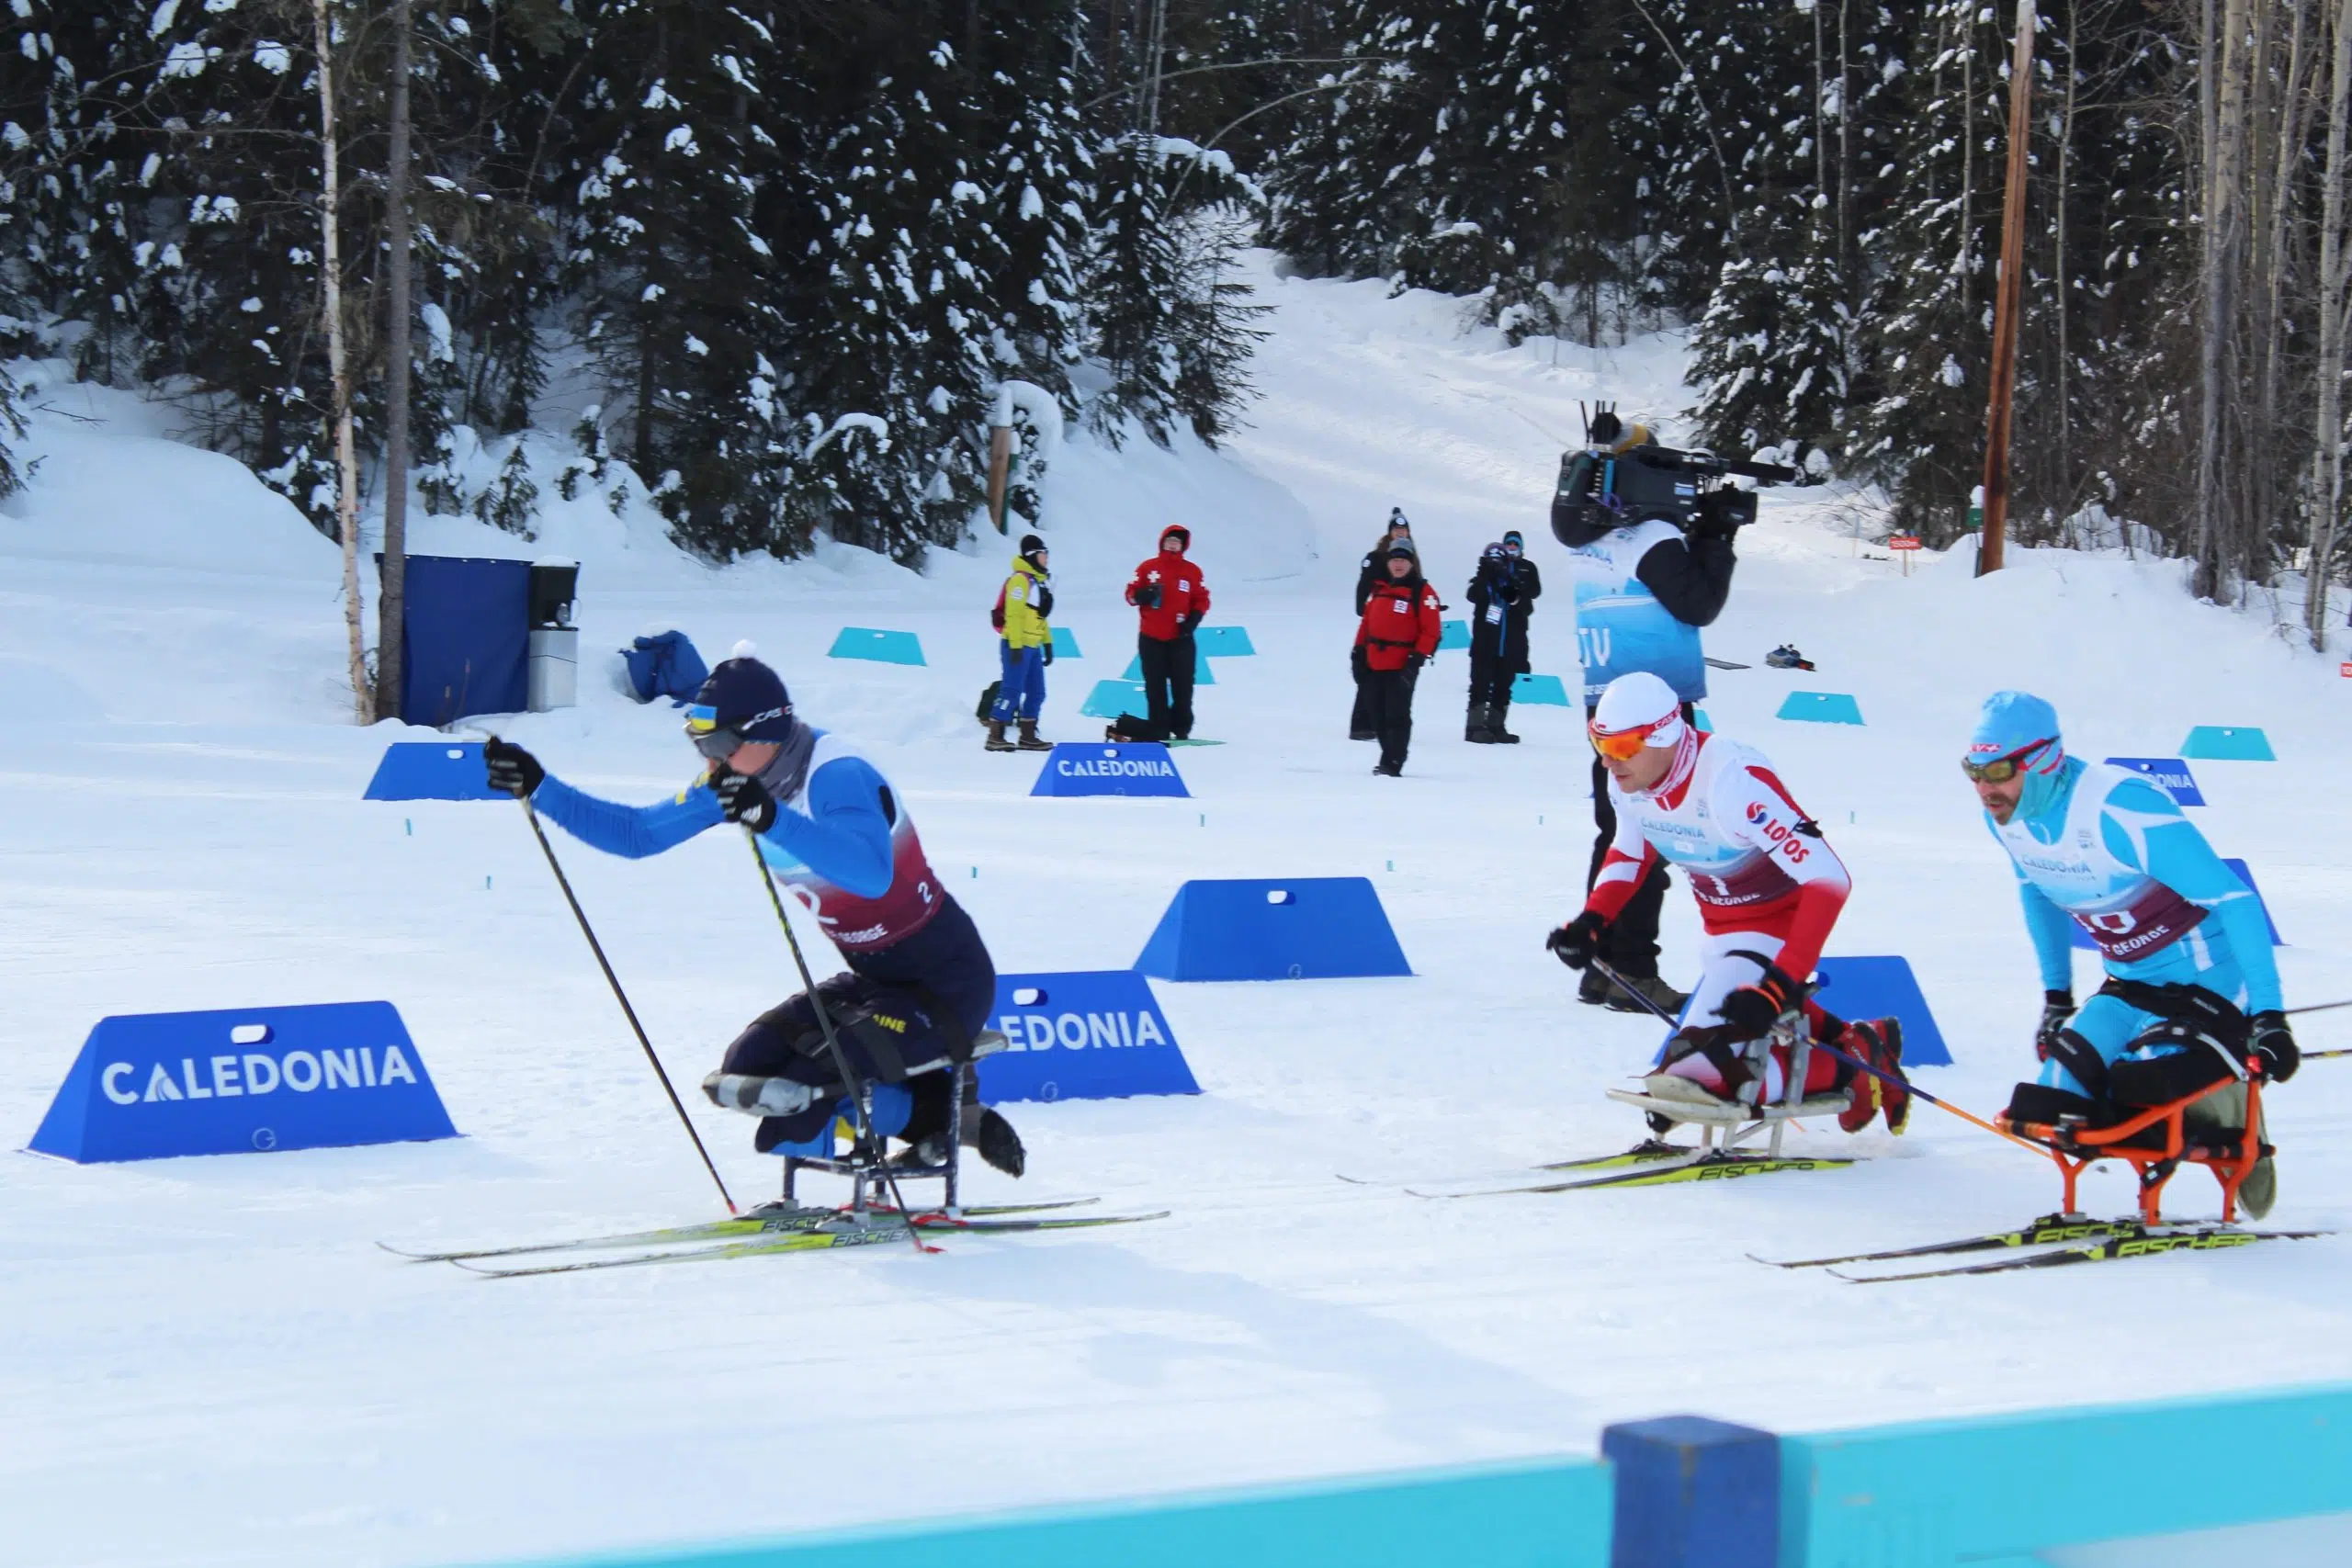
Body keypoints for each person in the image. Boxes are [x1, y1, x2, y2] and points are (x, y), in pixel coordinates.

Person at [481, 651, 1026, 1177]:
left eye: (718, 744)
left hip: (947, 983)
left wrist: (772, 819)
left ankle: (912, 1139)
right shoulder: (733, 782)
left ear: (765, 734)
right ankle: (942, 1119)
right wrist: (540, 787)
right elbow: (638, 834)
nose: (710, 761)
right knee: (751, 1064)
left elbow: (870, 872)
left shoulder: (837, 775)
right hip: (875, 979)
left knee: (810, 1079)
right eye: (699, 745)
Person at [1965, 691, 2294, 1215]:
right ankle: (2195, 1092)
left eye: (1998, 769)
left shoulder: (2121, 808)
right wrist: (2056, 998)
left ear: (2044, 758)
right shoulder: (2006, 816)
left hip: (2208, 983)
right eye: (1973, 770)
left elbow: (2235, 901)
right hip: (2130, 984)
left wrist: (2271, 1014)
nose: (1985, 787)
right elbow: (2036, 892)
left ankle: (2234, 1110)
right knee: (2051, 1098)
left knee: (2142, 1085)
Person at [1546, 672, 1907, 1134]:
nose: (1609, 760)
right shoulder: (1630, 778)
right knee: (1685, 1078)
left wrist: (1781, 983)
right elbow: (1631, 849)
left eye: (1621, 747)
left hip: (1779, 934)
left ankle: (1851, 1071)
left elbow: (1828, 879)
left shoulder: (1733, 783)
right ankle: (1854, 1042)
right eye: (1599, 743)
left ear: (1664, 735)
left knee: (1697, 1079)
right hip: (1724, 938)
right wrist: (1592, 920)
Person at [1553, 421, 1739, 1014]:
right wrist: (1718, 534)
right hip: (1655, 707)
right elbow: (1700, 603)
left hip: (1607, 703)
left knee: (1617, 832)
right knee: (1649, 837)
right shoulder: (1650, 537)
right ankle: (1632, 969)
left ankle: (1602, 963)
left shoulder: (1591, 537)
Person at [1353, 538, 1442, 776]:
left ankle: (1393, 762)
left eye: (1403, 560)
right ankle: (1387, 756)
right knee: (1377, 713)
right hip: (1375, 664)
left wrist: (1416, 659)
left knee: (1397, 714)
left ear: (1411, 563)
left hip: (1402, 665)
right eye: (1395, 560)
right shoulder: (1380, 589)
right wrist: (1358, 652)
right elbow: (1366, 624)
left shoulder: (1423, 592)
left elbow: (1431, 630)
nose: (1398, 564)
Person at [1124, 525, 1210, 740]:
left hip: (1181, 637)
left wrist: (1193, 620)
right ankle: (1159, 728)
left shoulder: (1192, 571)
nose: (1172, 544)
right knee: (1155, 686)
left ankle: (1181, 728)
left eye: (1177, 542)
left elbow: (1202, 598)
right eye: (1169, 540)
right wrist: (1141, 595)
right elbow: (1130, 594)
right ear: (1162, 542)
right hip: (1151, 637)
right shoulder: (1147, 568)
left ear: (1183, 546)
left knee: (1183, 685)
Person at [1464, 531, 1542, 743]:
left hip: (1508, 645)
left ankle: (1496, 725)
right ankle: (1474, 726)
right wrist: (1485, 575)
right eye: (1492, 561)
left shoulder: (1514, 581)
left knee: (1503, 684)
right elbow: (1473, 595)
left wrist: (1515, 594)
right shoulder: (1482, 584)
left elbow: (1527, 606)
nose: (1496, 565)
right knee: (1480, 684)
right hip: (1485, 645)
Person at [1351, 509, 1418, 740]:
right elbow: (1365, 585)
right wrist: (1364, 608)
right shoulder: (1377, 556)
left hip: (1400, 622)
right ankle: (1361, 724)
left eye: (1403, 529)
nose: (1400, 532)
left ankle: (1383, 722)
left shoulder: (1411, 556)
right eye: (1396, 529)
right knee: (1369, 672)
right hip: (1379, 618)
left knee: (1391, 677)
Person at [988, 534, 1056, 753]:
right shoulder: (1020, 580)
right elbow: (1014, 615)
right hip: (1016, 644)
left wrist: (1047, 643)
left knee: (1037, 692)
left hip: (1032, 645)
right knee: (1011, 690)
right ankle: (995, 734)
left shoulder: (1040, 582)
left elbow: (1039, 617)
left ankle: (1028, 735)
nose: (1046, 558)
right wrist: (1016, 645)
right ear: (1032, 555)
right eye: (1043, 554)